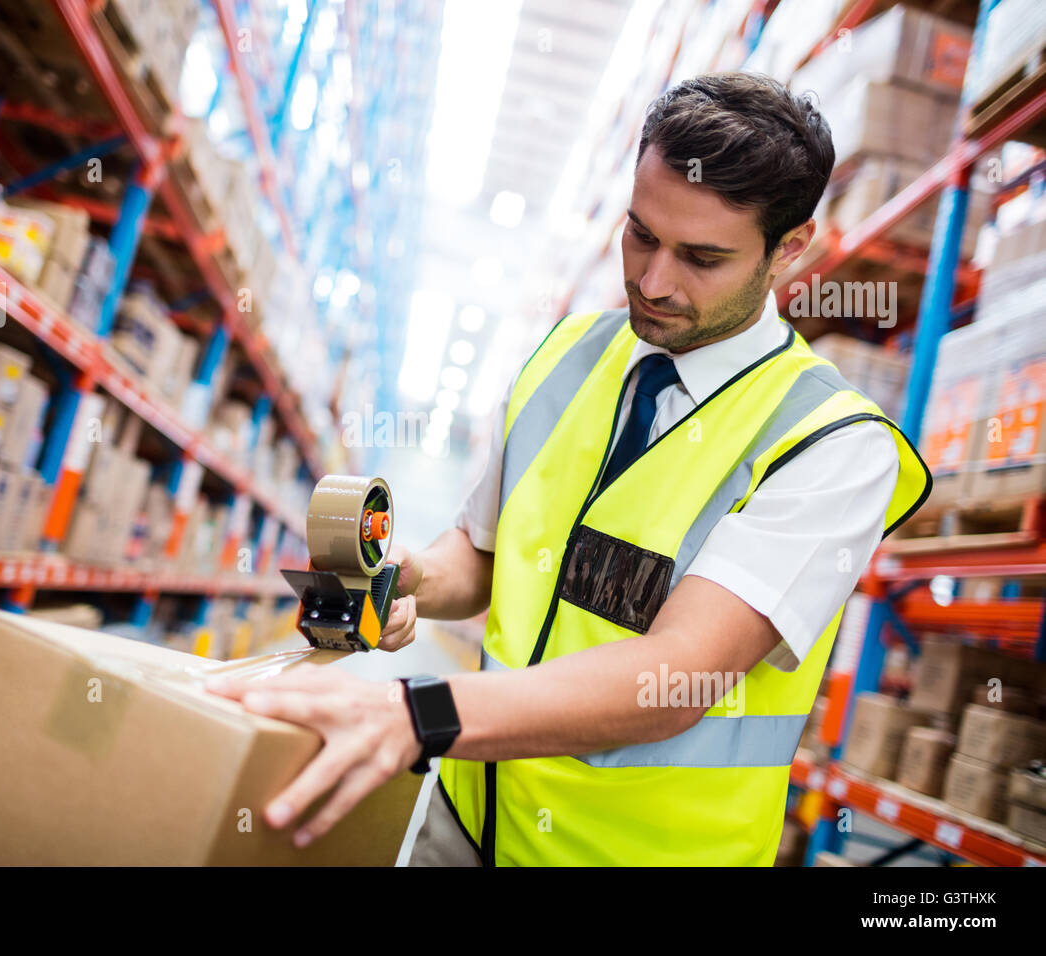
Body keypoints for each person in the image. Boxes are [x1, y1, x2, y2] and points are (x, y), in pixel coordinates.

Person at [207, 72, 931, 866]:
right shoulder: (567, 355)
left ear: (790, 249)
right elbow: (483, 553)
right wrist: (409, 575)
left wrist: (418, 716)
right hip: (465, 821)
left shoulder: (833, 446)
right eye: (641, 234)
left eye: (702, 258)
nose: (653, 284)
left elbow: (676, 674)